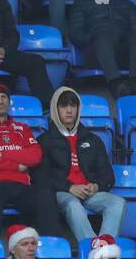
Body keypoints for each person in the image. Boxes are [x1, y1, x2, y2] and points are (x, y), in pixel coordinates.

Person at [0, 84, 63, 237]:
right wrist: (17, 159)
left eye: (4, 97)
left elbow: (35, 156)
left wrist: (0, 154)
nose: (0, 101)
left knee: (45, 193)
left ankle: (54, 244)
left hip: (21, 185)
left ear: (9, 102)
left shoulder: (22, 128)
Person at [37, 87, 124, 241]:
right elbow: (40, 176)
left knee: (117, 202)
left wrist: (96, 186)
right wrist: (69, 187)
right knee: (73, 205)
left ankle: (106, 246)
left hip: (89, 192)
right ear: (55, 110)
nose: (69, 110)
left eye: (73, 106)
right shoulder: (44, 141)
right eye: (63, 106)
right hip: (62, 192)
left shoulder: (92, 139)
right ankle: (93, 253)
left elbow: (107, 173)